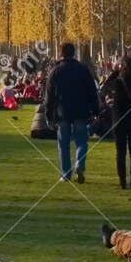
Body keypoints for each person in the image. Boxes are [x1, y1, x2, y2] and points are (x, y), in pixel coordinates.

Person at [43, 43, 98, 184]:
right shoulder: (83, 69)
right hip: (81, 110)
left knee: (63, 144)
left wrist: (48, 115)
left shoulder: (55, 71)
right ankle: (80, 164)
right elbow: (92, 91)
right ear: (74, 53)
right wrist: (95, 110)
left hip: (62, 112)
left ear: (61, 53)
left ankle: (66, 174)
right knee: (81, 141)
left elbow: (49, 96)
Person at [101, 56, 131, 188]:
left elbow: (105, 87)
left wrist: (115, 71)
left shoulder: (117, 82)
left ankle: (122, 181)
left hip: (119, 119)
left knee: (120, 152)